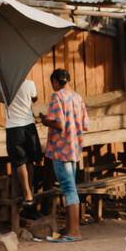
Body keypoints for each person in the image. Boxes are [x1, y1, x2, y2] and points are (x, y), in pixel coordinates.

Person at [41, 68, 90, 241]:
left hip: (61, 149)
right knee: (71, 188)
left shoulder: (57, 96)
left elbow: (59, 124)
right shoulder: (77, 97)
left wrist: (45, 120)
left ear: (55, 81)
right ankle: (70, 229)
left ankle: (74, 232)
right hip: (74, 147)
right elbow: (85, 124)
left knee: (69, 189)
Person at [4, 76, 42, 215]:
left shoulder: (6, 86)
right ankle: (30, 191)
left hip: (14, 127)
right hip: (29, 125)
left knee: (20, 161)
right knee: (30, 160)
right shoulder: (30, 83)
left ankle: (27, 194)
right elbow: (35, 98)